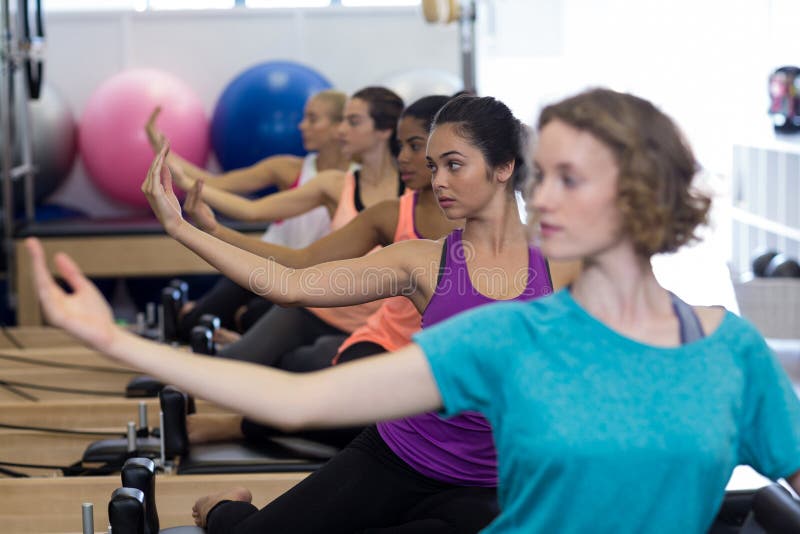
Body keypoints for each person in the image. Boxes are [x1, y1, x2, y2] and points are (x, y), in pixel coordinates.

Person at [29, 88, 795, 533]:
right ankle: (229, 515)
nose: (434, 182)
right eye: (431, 167)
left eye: (451, 165)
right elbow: (294, 315)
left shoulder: (702, 340)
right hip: (401, 455)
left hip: (485, 488)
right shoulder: (476, 307)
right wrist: (158, 272)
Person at [171, 86, 407, 362]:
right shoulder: (334, 183)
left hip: (369, 327)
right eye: (342, 121)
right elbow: (254, 211)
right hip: (315, 307)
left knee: (295, 367)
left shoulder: (411, 196)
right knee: (233, 364)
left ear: (385, 130)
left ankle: (241, 341)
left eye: (352, 122)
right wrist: (187, 188)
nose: (341, 130)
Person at [145, 90, 351, 338]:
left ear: (340, 126)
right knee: (193, 325)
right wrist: (166, 154)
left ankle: (224, 323)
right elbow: (217, 183)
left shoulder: (353, 183)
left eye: (312, 119)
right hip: (263, 262)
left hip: (305, 281)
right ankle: (190, 313)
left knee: (253, 317)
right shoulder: (288, 169)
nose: (301, 125)